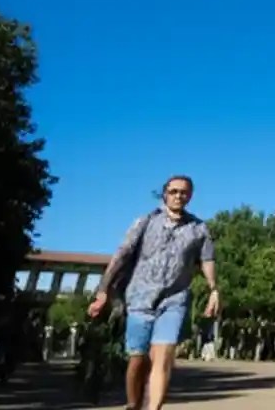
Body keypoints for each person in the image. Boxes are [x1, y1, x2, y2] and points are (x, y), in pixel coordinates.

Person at [88, 175, 219, 410]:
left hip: (175, 299)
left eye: (184, 192)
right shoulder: (146, 221)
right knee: (138, 359)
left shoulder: (199, 229)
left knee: (163, 356)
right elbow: (122, 255)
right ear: (164, 194)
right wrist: (103, 290)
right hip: (140, 298)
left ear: (190, 196)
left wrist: (214, 289)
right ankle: (133, 404)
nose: (179, 196)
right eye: (174, 191)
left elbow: (207, 259)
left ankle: (154, 408)